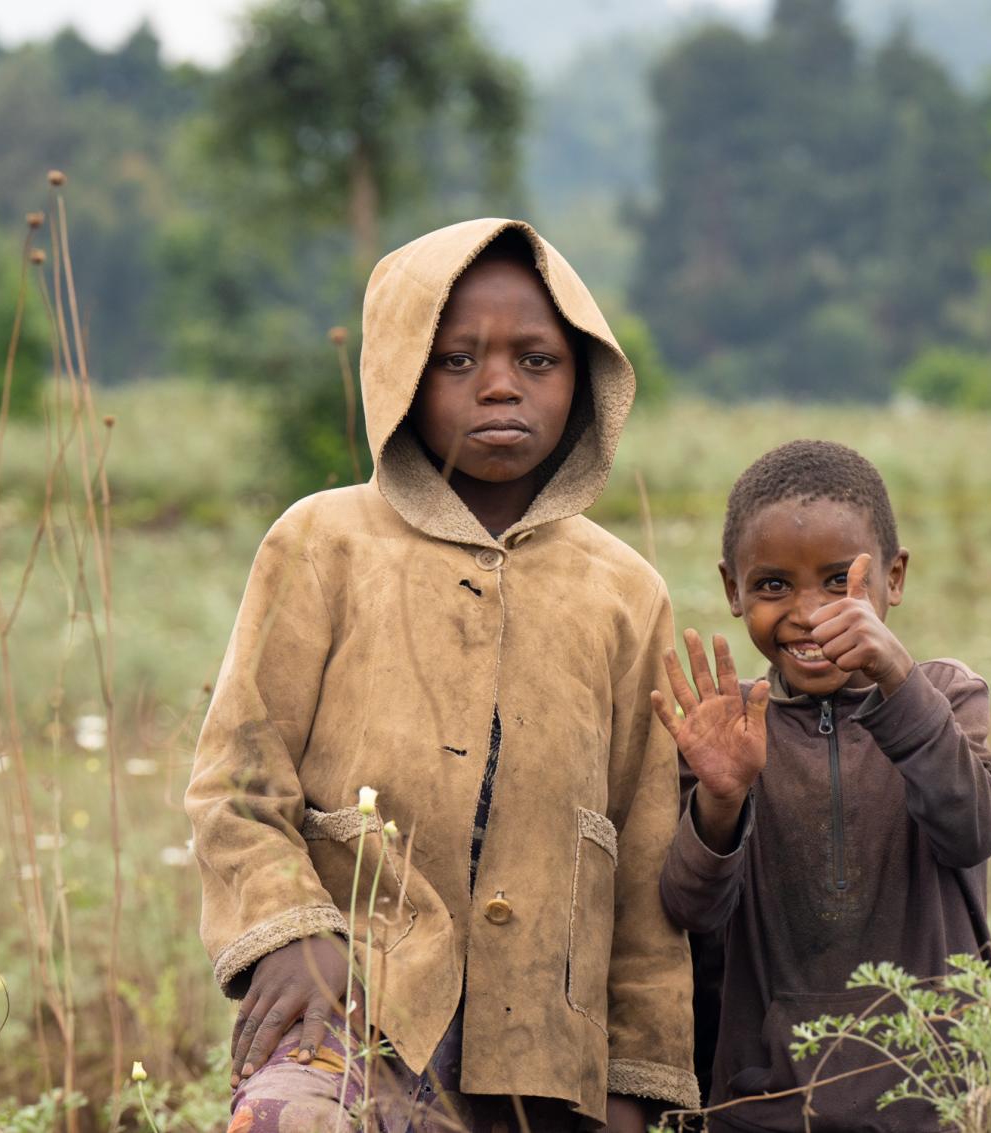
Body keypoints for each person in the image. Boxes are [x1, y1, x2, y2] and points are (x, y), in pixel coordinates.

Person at [186, 219, 697, 1132]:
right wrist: (297, 933)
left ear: (584, 380)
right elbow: (237, 784)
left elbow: (647, 866)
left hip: (546, 1062)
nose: (499, 383)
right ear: (400, 377)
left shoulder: (627, 592)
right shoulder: (321, 543)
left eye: (537, 360)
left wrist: (633, 1075)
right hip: (351, 1012)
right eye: (456, 360)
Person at [654, 439, 991, 1132]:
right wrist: (721, 799)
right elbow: (688, 909)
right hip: (766, 1105)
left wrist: (898, 680)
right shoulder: (729, 726)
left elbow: (976, 827)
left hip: (936, 1101)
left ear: (895, 578)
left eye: (838, 580)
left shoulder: (941, 693)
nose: (810, 612)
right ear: (733, 588)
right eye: (773, 585)